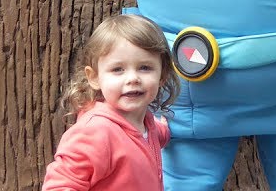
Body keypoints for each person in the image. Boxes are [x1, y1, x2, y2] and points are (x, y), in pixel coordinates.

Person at [42, 14, 179, 191]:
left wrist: (165, 132)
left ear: (162, 75)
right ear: (94, 77)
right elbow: (60, 185)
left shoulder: (146, 122)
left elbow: (151, 136)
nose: (133, 78)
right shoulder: (95, 132)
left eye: (145, 67)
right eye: (118, 69)